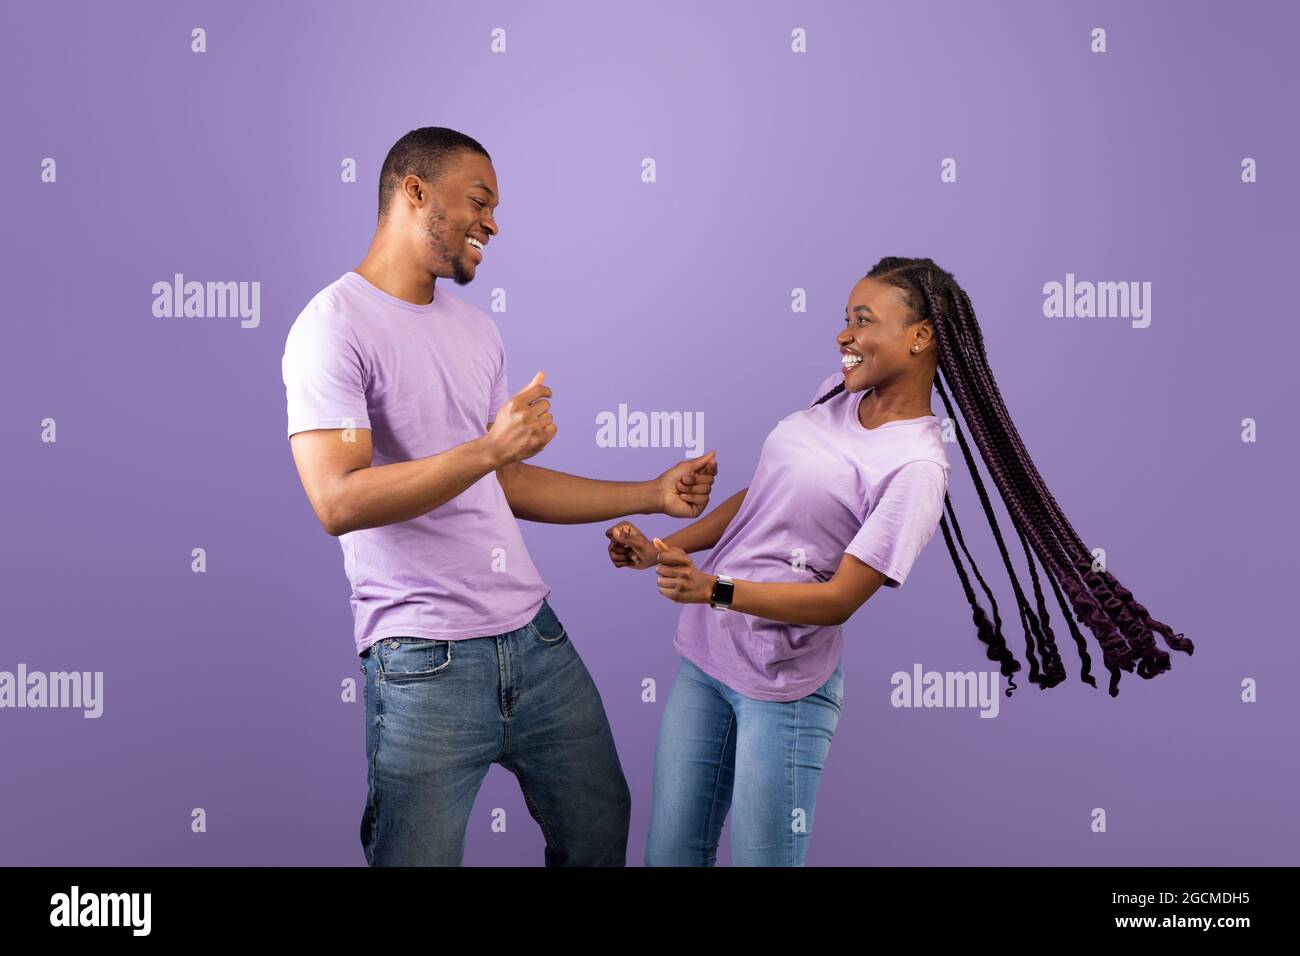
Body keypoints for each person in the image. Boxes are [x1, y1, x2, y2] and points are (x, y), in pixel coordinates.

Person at [606, 256, 1193, 866]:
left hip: (781, 688)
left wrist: (714, 590)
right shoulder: (835, 391)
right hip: (709, 659)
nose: (843, 335)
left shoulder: (916, 467)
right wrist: (661, 552)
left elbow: (839, 600)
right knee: (669, 857)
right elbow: (761, 499)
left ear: (920, 337)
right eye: (845, 319)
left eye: (863, 320)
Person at [280, 127, 718, 866]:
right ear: (413, 192)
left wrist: (650, 493)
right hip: (423, 661)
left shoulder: (475, 327)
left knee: (599, 827)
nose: (493, 224)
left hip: (533, 638)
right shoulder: (331, 327)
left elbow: (504, 482)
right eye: (478, 201)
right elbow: (338, 500)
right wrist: (490, 447)